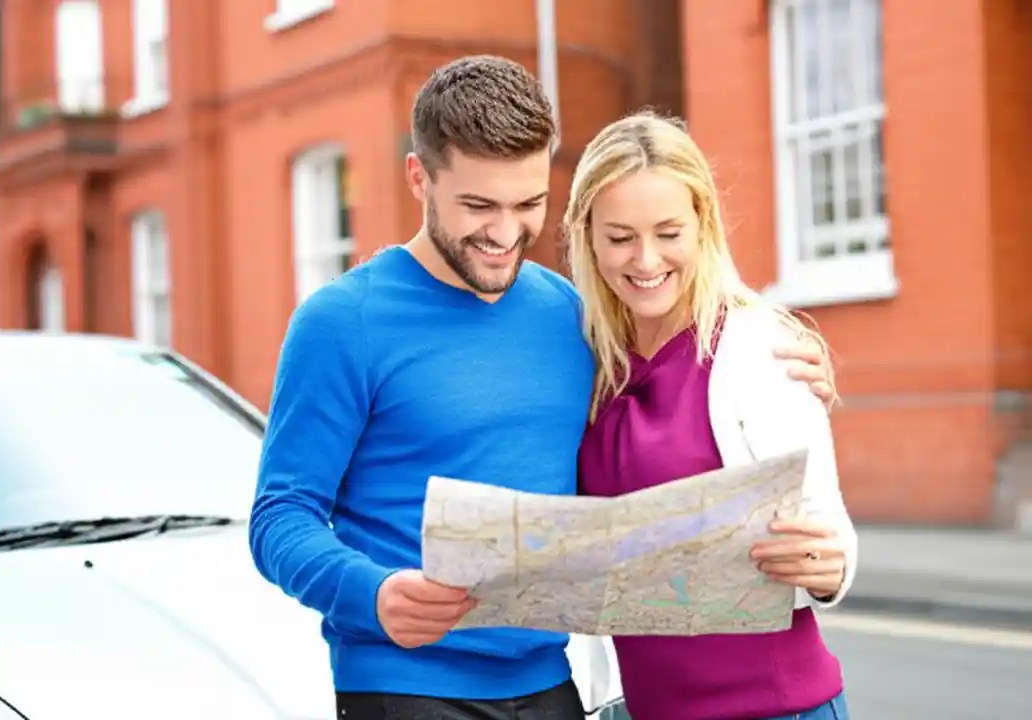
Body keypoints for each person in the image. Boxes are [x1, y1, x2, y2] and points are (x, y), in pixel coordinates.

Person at [249, 55, 834, 719]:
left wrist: (781, 370)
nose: (504, 233)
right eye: (478, 206)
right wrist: (371, 593)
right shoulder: (340, 322)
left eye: (528, 204)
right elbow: (280, 516)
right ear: (420, 177)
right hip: (405, 684)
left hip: (549, 682)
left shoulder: (569, 314)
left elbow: (668, 380)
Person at [565, 109, 856, 720]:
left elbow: (825, 528)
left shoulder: (760, 348)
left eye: (668, 232)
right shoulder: (584, 361)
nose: (647, 260)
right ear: (586, 236)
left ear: (703, 223)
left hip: (774, 709)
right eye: (620, 238)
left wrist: (829, 569)